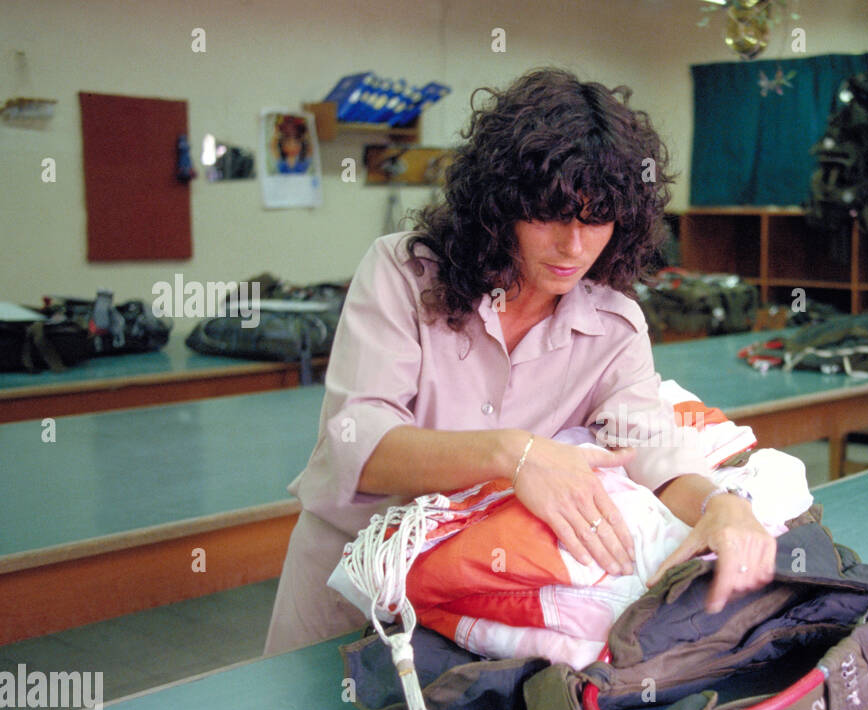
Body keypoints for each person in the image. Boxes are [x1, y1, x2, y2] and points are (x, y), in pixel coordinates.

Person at [264, 68, 776, 655]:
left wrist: (723, 507)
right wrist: (515, 455)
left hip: (471, 595)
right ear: (499, 203)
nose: (573, 247)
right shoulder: (402, 275)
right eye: (551, 215)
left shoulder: (613, 323)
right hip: (347, 581)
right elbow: (359, 444)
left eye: (596, 219)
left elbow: (651, 451)